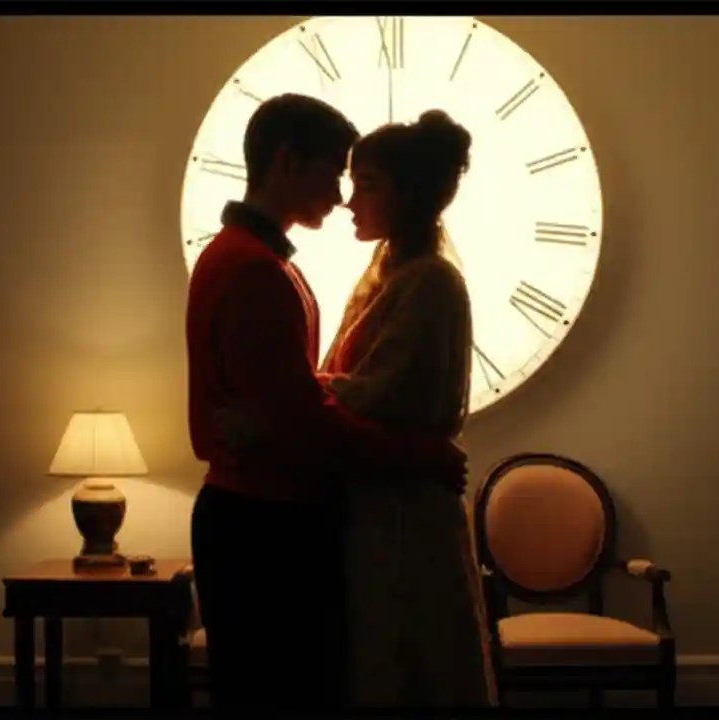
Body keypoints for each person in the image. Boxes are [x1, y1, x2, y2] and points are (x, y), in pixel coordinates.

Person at [184, 94, 466, 711]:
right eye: (336, 171)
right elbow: (300, 419)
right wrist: (419, 455)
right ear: (288, 163)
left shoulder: (251, 259)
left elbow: (294, 405)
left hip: (263, 515)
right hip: (266, 523)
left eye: (358, 180)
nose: (341, 196)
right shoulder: (255, 269)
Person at [323, 110, 497, 707]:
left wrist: (299, 389)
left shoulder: (429, 283)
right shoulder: (390, 277)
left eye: (367, 184)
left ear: (407, 192)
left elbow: (380, 392)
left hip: (404, 514)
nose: (350, 202)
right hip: (382, 506)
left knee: (411, 658)